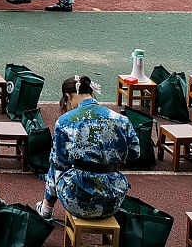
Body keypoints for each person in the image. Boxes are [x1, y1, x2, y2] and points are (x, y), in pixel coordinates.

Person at [37, 75, 139, 220]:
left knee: (55, 162)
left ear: (68, 96)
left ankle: (46, 208)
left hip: (76, 200)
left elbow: (59, 163)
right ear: (91, 92)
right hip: (113, 200)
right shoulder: (121, 119)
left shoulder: (65, 121)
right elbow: (135, 153)